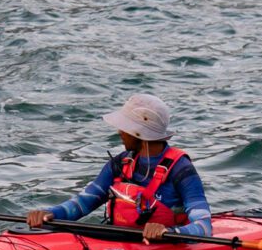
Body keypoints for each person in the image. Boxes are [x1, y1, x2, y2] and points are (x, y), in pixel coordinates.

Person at [25, 93, 213, 242]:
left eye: (126, 128)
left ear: (141, 133)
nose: (120, 132)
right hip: (119, 243)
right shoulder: (119, 164)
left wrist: (171, 231)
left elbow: (204, 226)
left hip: (165, 244)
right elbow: (85, 202)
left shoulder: (181, 170)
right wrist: (50, 214)